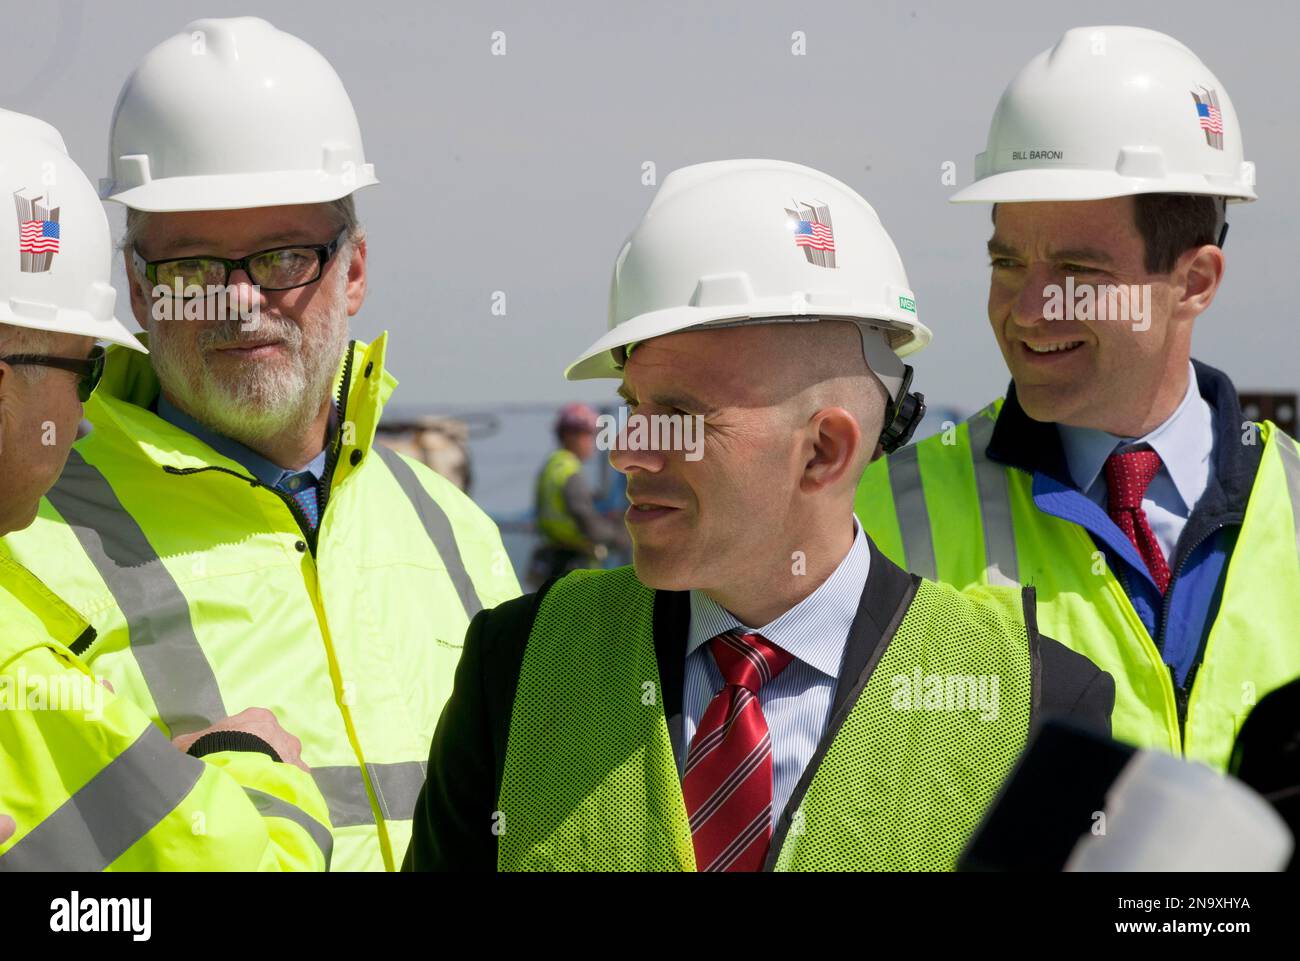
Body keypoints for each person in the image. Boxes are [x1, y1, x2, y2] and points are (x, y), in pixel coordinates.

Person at [405, 160, 1113, 872]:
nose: (627, 453)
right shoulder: (516, 664)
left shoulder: (1041, 706)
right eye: (633, 406)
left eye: (679, 415)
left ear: (824, 451)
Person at [1, 18, 520, 871]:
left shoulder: (456, 533)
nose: (238, 302)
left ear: (353, 271)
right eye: (196, 266)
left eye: (283, 258)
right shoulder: (23, 541)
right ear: (136, 287)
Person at [854, 26, 1300, 770]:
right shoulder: (873, 520)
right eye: (1006, 260)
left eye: (1075, 271)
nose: (1027, 309)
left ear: (1195, 282)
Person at [0, 109, 330, 871]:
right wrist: (245, 761)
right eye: (85, 370)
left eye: (283, 259)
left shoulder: (455, 528)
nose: (82, 418)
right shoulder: (17, 659)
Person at [528, 402, 630, 584]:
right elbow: (587, 523)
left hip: (552, 558)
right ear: (570, 435)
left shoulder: (552, 466)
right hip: (573, 565)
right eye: (589, 435)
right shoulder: (569, 471)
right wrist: (621, 536)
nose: (592, 443)